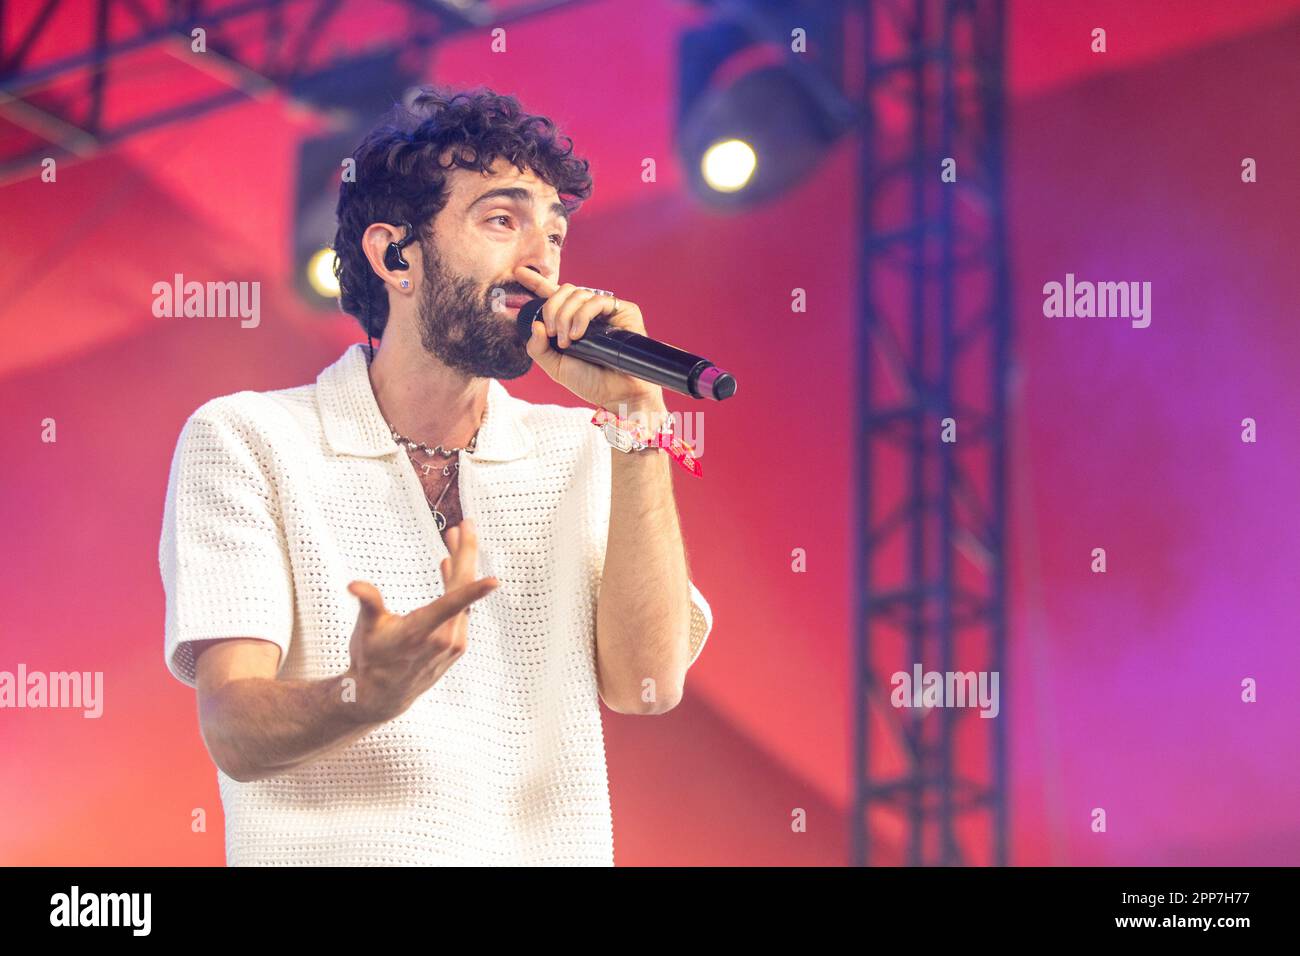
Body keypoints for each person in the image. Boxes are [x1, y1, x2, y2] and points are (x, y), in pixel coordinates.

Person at [158, 86, 713, 866]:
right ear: (394, 255)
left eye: (554, 231)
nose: (541, 257)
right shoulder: (251, 438)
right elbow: (234, 729)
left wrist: (637, 418)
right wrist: (364, 693)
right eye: (501, 219)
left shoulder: (582, 449)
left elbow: (647, 686)